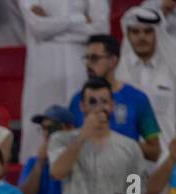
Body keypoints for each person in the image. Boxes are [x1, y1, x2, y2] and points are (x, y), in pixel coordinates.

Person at [19, 0, 109, 163]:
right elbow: (38, 27)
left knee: (81, 134)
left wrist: (52, 29)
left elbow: (101, 29)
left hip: (78, 70)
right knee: (39, 136)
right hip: (42, 73)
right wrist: (79, 19)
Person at [120, 5, 176, 194]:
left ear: (157, 33)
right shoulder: (120, 74)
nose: (142, 38)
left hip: (171, 159)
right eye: (135, 31)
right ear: (127, 34)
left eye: (148, 31)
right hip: (131, 162)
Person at [68, 33, 162, 162]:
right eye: (86, 58)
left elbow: (155, 152)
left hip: (128, 177)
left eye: (94, 58)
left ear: (113, 60)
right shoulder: (77, 100)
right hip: (88, 177)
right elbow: (66, 146)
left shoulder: (137, 98)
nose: (88, 64)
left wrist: (119, 144)